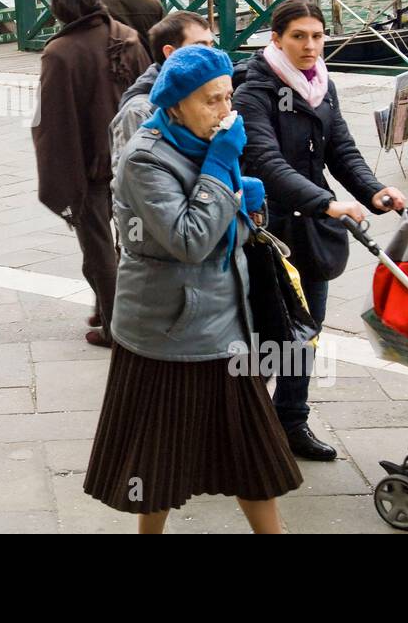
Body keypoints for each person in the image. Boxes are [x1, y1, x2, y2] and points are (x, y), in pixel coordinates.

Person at [84, 44, 301, 534]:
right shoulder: (144, 159)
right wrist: (224, 170)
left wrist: (245, 199)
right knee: (156, 462)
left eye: (229, 98)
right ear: (177, 104)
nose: (225, 112)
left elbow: (230, 235)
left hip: (225, 323)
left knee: (252, 453)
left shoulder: (200, 144)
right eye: (211, 101)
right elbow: (190, 239)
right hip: (168, 331)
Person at [233, 0, 406, 461]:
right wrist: (326, 202)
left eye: (317, 35)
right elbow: (264, 162)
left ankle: (291, 420)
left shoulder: (321, 85)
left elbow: (341, 149)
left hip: (312, 225)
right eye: (298, 37)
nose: (310, 46)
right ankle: (242, 423)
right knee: (268, 331)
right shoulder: (255, 90)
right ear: (277, 39)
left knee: (307, 328)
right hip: (268, 230)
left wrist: (373, 191)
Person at [33, 0, 149, 346]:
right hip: (137, 157)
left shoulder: (60, 52)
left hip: (92, 164)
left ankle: (118, 327)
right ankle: (111, 311)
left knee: (97, 246)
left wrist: (59, 175)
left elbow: (52, 122)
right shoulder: (128, 37)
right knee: (135, 241)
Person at [110, 10, 214, 170]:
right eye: (200, 46)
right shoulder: (139, 111)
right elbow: (132, 181)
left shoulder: (208, 94)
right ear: (170, 53)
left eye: (211, 45)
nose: (211, 54)